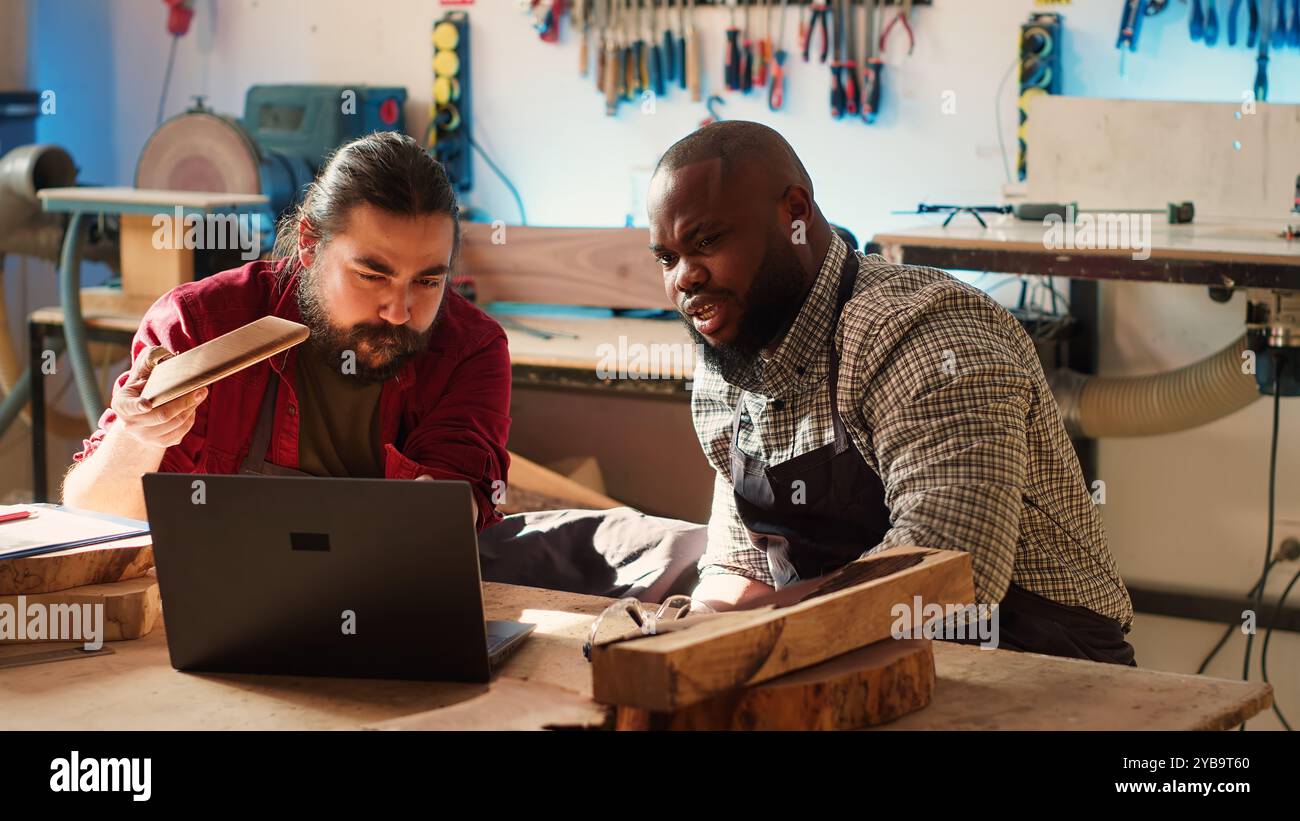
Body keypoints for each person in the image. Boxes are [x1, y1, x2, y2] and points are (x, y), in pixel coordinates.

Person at [62, 132, 510, 531]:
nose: (398, 311)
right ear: (309, 243)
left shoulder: (470, 350)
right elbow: (94, 514)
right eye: (372, 276)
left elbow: (455, 503)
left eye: (428, 282)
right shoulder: (203, 325)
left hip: (394, 597)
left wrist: (439, 506)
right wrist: (140, 434)